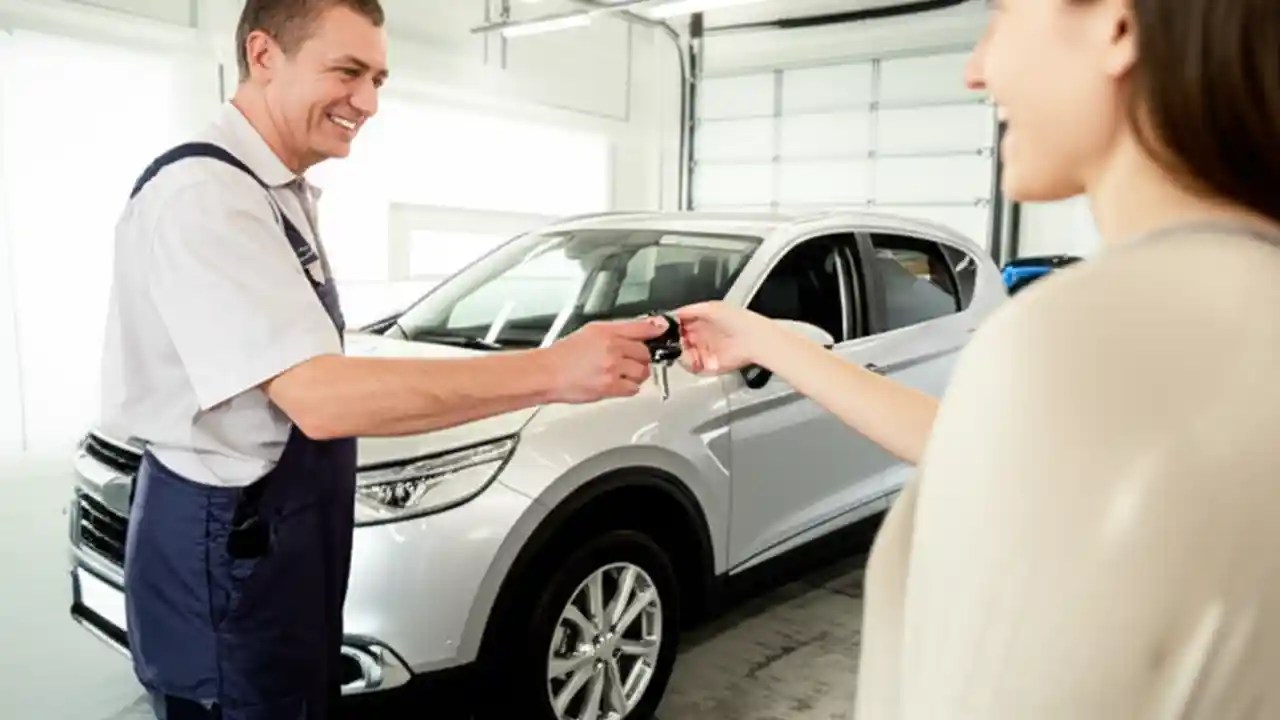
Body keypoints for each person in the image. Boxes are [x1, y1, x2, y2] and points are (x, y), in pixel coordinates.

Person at [676, 0, 1280, 717]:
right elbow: (981, 448)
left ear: (1117, 24)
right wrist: (763, 339)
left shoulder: (1079, 334)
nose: (976, 69)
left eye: (1001, 15)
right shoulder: (1228, 319)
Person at [99, 1, 668, 718]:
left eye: (378, 79)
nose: (367, 102)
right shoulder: (205, 198)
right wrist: (552, 371)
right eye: (347, 71)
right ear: (264, 54)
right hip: (227, 567)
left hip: (270, 557)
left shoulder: (274, 192)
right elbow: (323, 399)